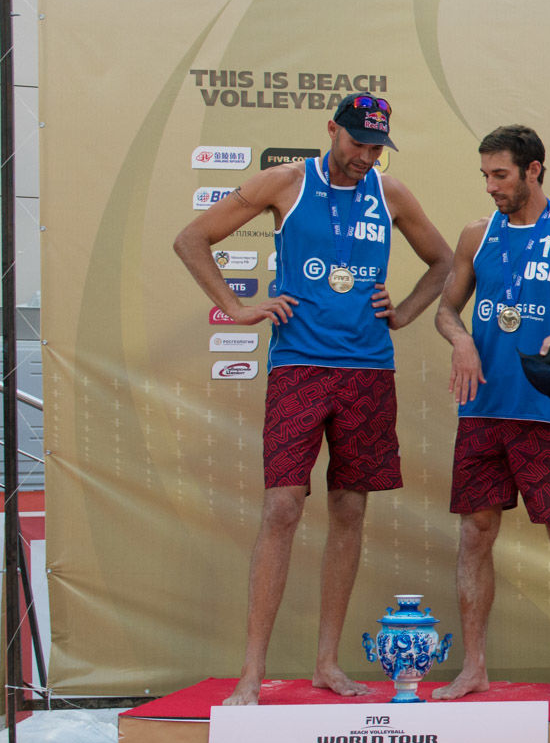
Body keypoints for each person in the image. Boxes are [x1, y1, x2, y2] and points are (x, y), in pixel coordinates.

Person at [174, 94, 452, 706]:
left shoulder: (390, 193)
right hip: (299, 365)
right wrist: (237, 308)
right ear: (331, 130)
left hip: (368, 370)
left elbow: (443, 262)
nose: (365, 157)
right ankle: (252, 672)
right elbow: (192, 239)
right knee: (281, 508)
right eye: (357, 143)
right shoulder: (285, 182)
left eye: (376, 147)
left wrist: (403, 311)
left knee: (349, 511)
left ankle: (326, 662)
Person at [433, 126, 550, 703]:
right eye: (485, 175)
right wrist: (461, 339)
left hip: (548, 413)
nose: (490, 186)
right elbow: (445, 310)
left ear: (534, 170)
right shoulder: (475, 234)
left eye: (501, 175)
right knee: (475, 534)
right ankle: (474, 667)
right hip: (482, 410)